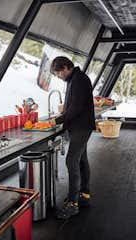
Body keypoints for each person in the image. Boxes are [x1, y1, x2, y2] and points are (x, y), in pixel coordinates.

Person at [50, 56, 95, 219]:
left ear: (66, 67)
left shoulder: (79, 80)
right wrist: (62, 117)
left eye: (58, 73)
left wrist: (57, 120)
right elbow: (71, 105)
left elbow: (76, 107)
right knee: (81, 160)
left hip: (81, 127)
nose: (58, 76)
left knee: (71, 161)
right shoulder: (74, 79)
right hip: (79, 126)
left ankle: (73, 204)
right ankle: (84, 194)